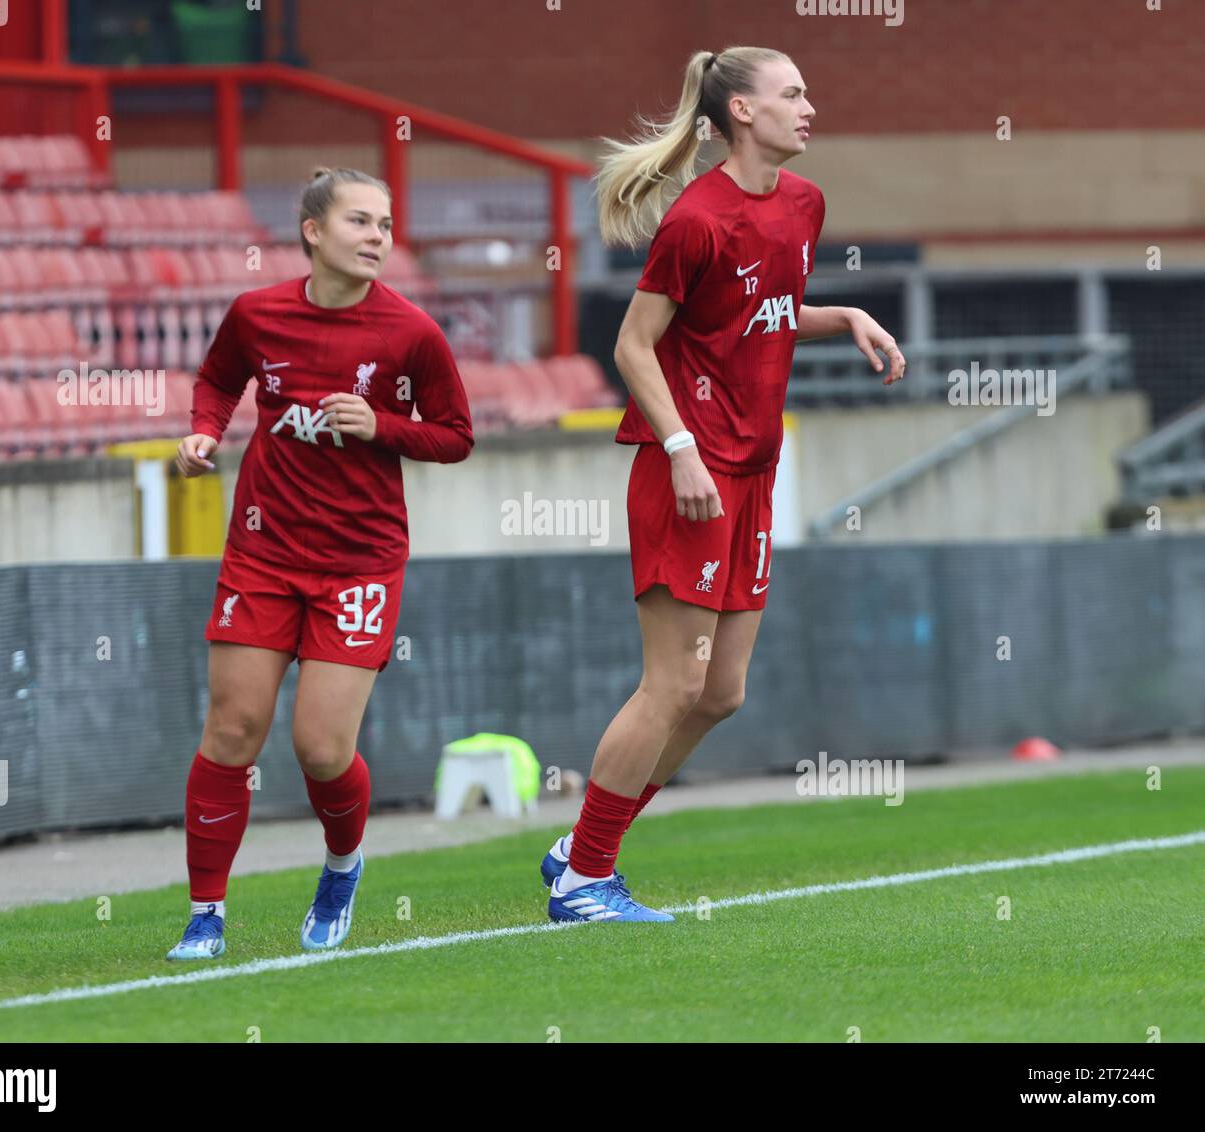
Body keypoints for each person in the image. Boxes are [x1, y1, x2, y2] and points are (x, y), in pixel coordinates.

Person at [544, 47, 906, 923]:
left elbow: (761, 316)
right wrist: (679, 447)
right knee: (670, 683)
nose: (808, 106)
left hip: (753, 470)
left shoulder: (805, 204)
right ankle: (587, 876)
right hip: (690, 474)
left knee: (720, 693)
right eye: (791, 93)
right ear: (741, 111)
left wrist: (846, 314)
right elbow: (633, 346)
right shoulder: (697, 219)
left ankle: (578, 852)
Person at [166, 167, 473, 959]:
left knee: (321, 749)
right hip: (262, 551)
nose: (378, 237)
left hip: (360, 560)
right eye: (361, 222)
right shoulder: (257, 312)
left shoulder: (410, 332)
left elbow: (455, 435)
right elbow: (217, 380)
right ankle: (206, 915)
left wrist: (381, 425)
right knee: (231, 729)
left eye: (385, 224)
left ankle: (342, 865)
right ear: (313, 231)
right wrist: (203, 433)